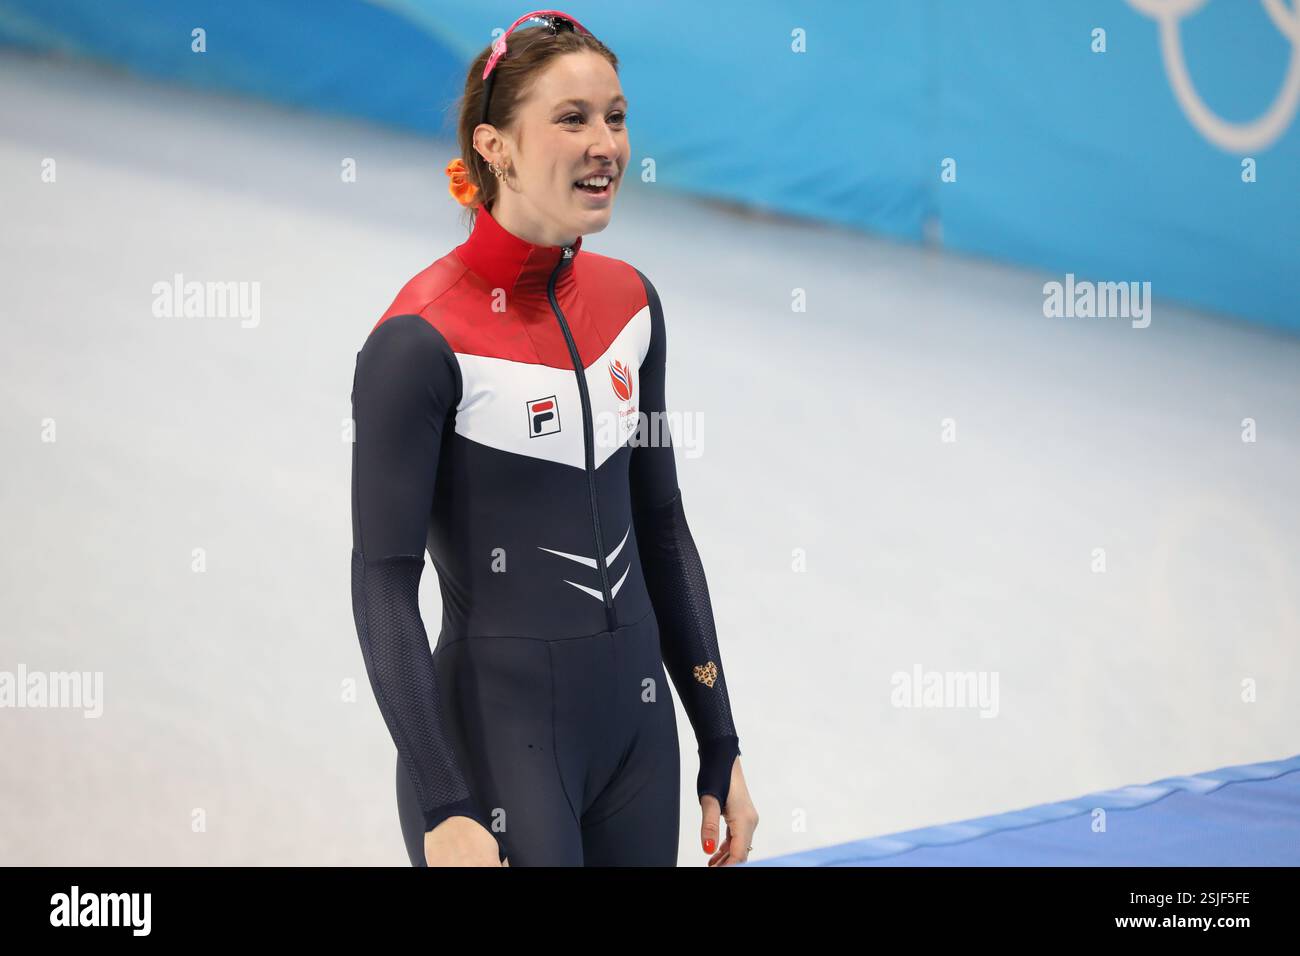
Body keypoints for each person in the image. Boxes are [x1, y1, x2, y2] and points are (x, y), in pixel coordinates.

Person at [349, 10, 758, 866]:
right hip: (499, 750)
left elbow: (662, 525)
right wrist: (443, 800)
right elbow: (385, 587)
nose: (604, 142)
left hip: (639, 740)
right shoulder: (419, 341)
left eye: (615, 115)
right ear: (493, 146)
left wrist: (718, 739)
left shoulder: (631, 305)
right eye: (571, 119)